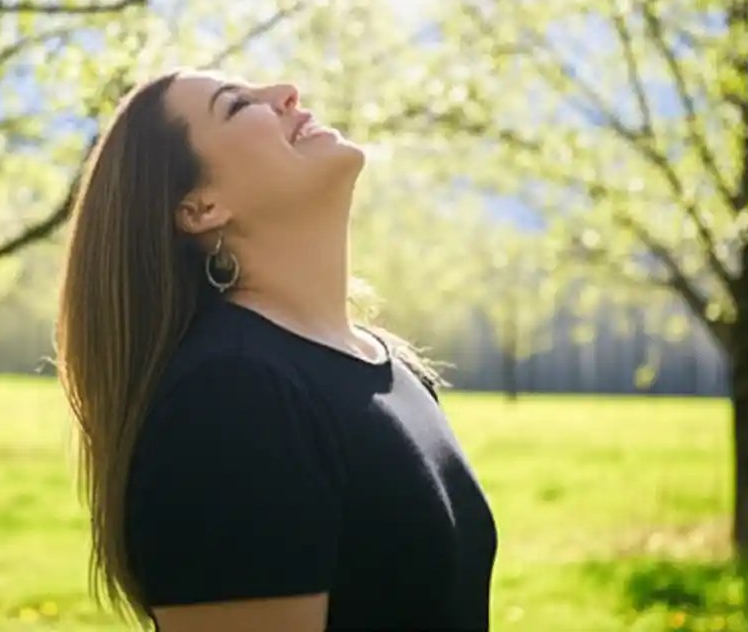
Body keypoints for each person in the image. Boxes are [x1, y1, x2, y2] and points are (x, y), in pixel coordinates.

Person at [55, 69, 497, 631]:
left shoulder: (392, 367)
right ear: (200, 208)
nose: (287, 92)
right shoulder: (228, 402)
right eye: (237, 106)